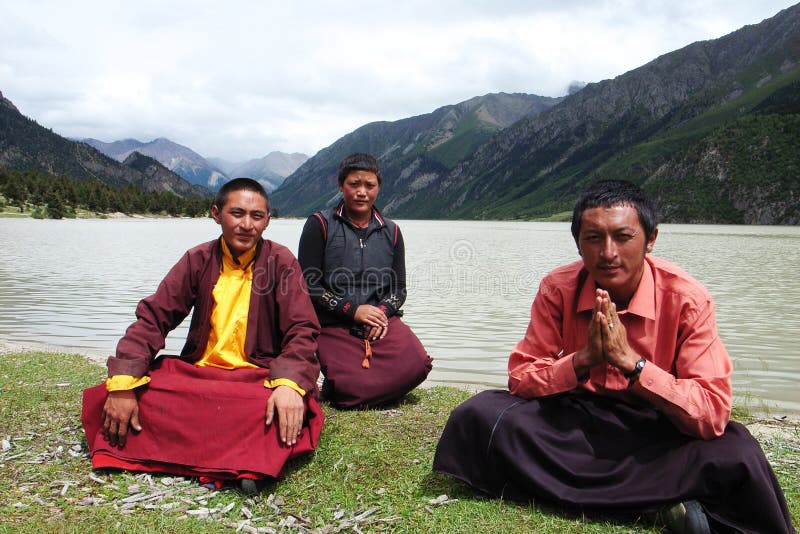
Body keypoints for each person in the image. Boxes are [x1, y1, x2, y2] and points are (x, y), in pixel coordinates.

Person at [433, 180, 795, 533]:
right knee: (478, 414)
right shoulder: (557, 288)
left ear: (650, 240)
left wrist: (633, 365)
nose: (608, 253)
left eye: (623, 237)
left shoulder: (688, 300)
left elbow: (712, 411)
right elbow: (522, 376)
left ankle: (599, 492)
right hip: (580, 420)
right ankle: (659, 498)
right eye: (593, 238)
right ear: (578, 244)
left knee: (737, 450)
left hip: (658, 424)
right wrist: (583, 359)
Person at [81, 178, 324, 494]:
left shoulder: (281, 262)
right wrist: (124, 382)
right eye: (237, 213)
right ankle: (242, 460)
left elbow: (302, 330)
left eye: (257, 216)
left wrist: (290, 385)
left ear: (267, 220)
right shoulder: (197, 260)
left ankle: (189, 453)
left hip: (255, 378)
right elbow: (154, 318)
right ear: (216, 214)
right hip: (198, 373)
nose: (247, 224)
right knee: (118, 393)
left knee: (274, 404)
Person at [297, 153, 432, 408]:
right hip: (333, 323)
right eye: (354, 184)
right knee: (353, 390)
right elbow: (308, 285)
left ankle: (354, 380)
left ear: (378, 188)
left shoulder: (391, 231)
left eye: (369, 185)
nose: (362, 192)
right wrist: (353, 310)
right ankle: (343, 382)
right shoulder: (320, 224)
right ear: (340, 185)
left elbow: (398, 289)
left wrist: (380, 313)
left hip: (379, 322)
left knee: (418, 365)